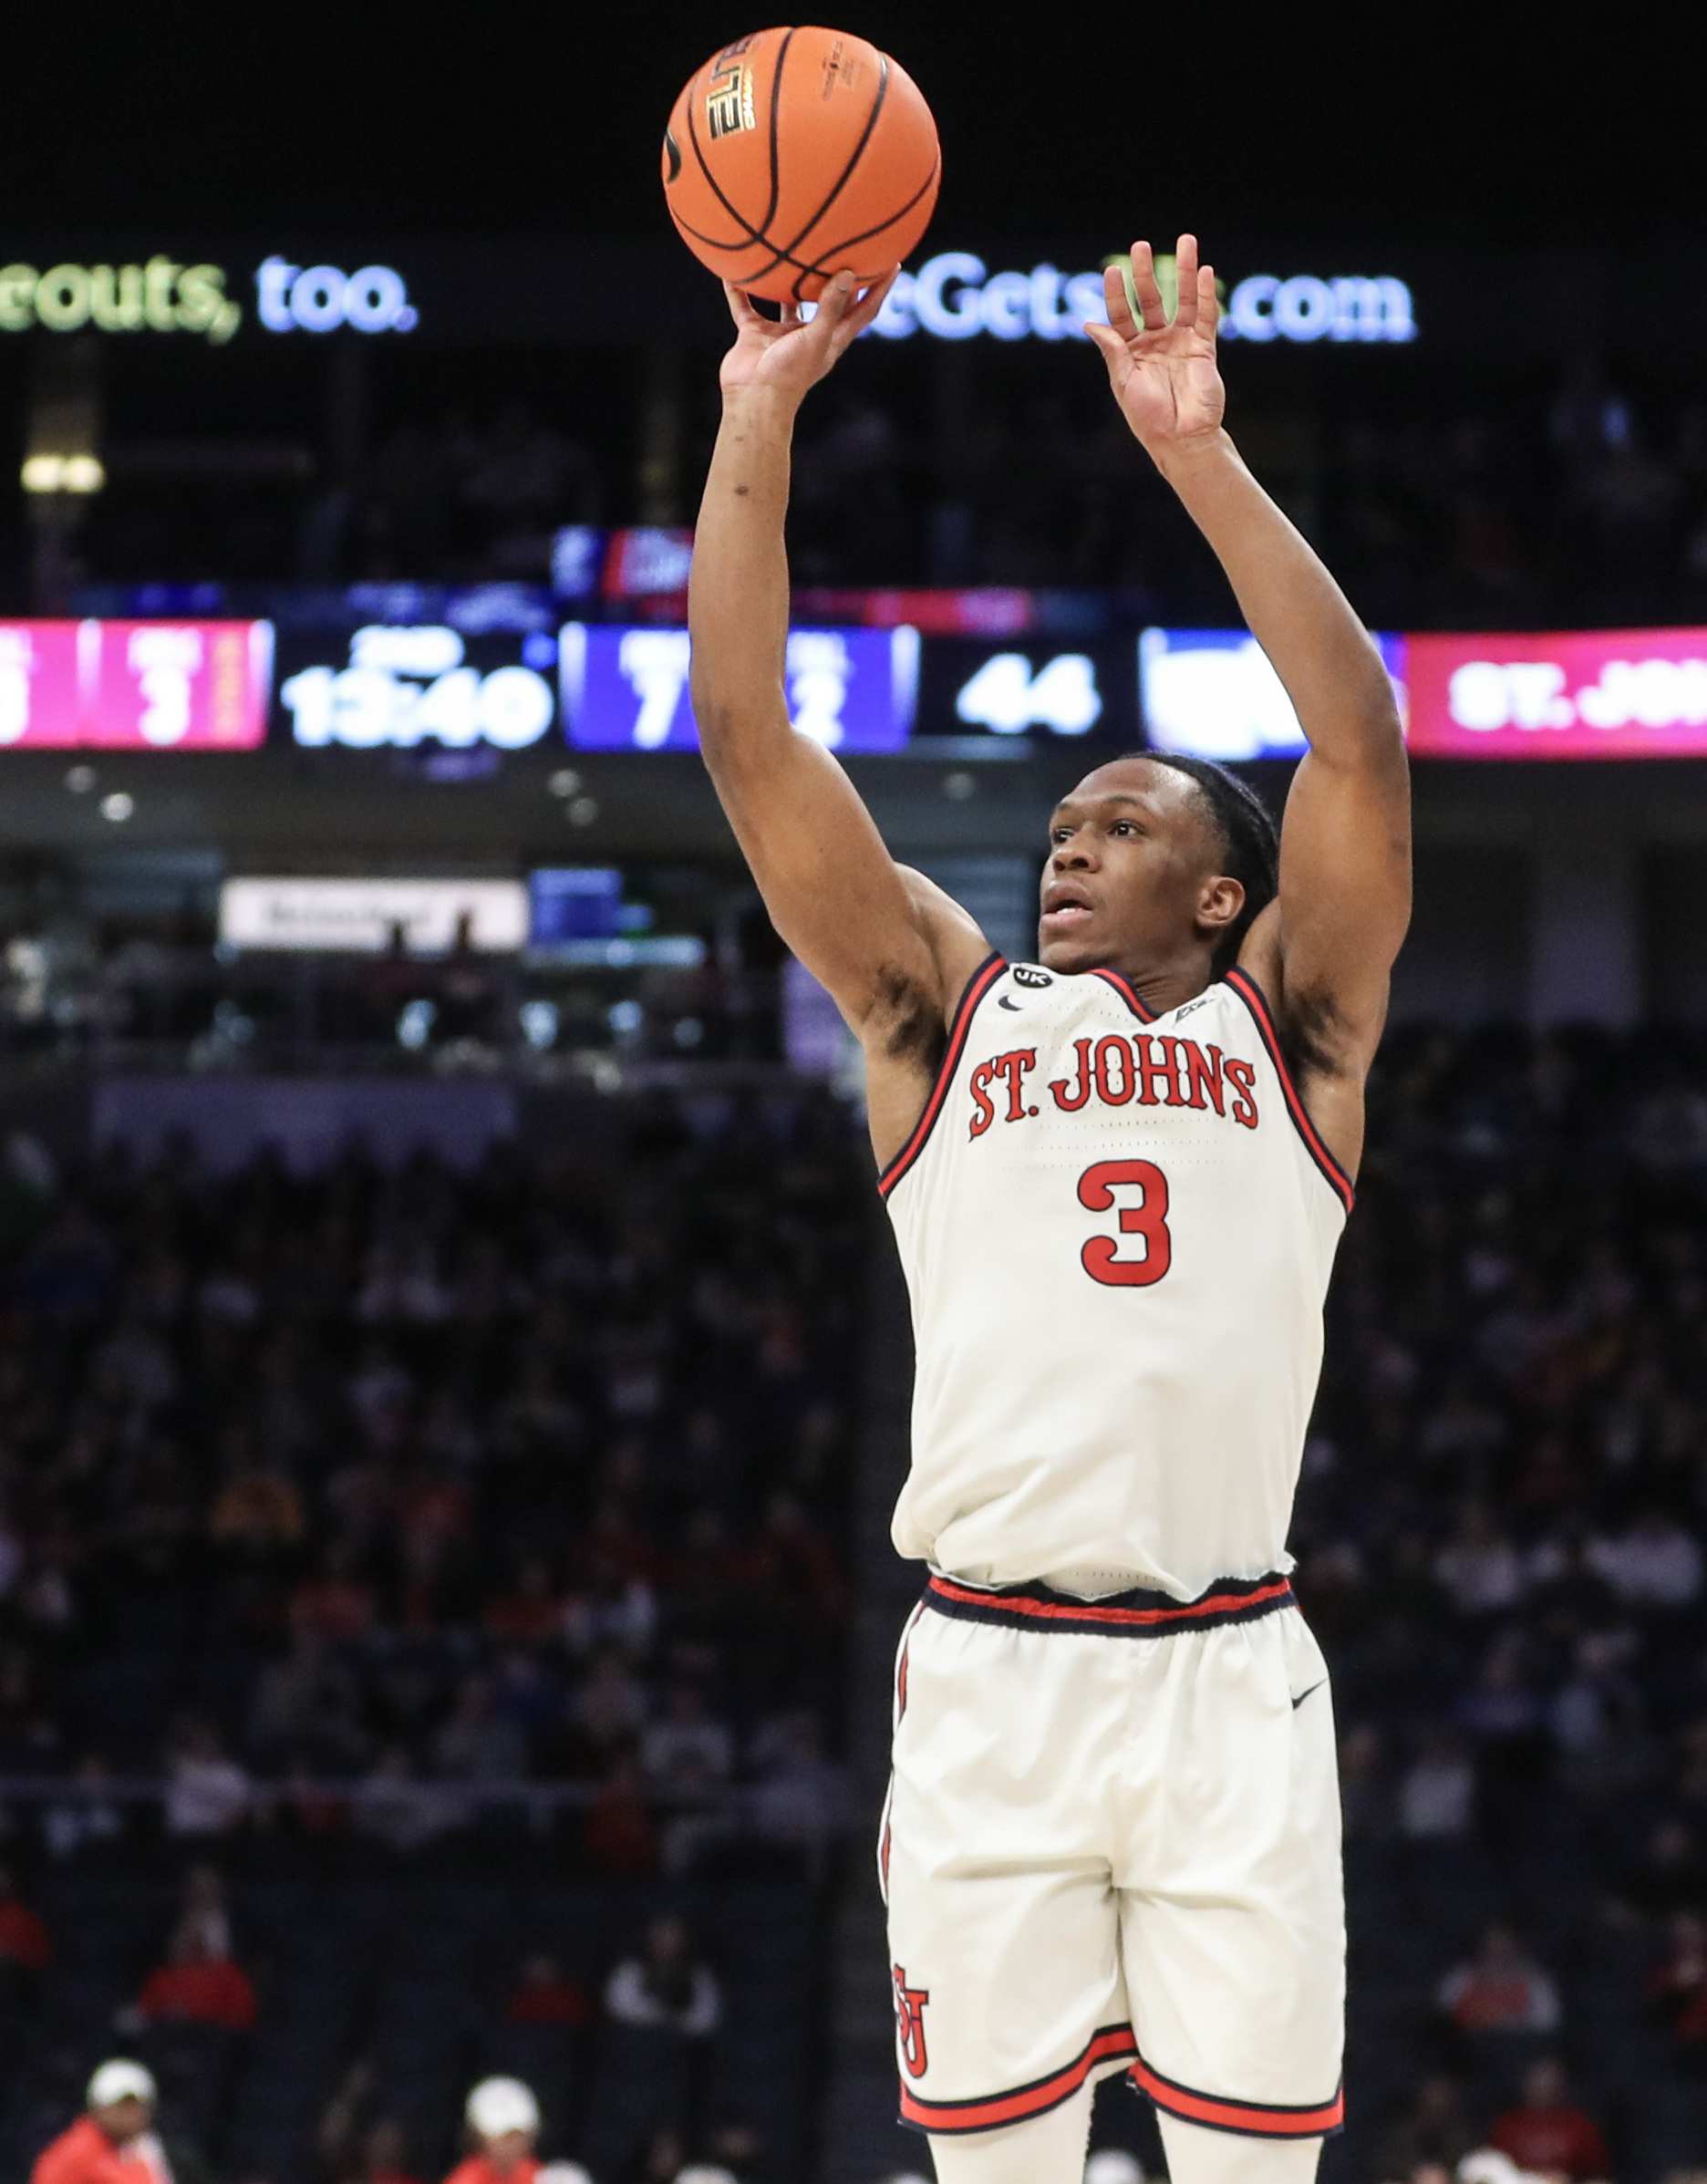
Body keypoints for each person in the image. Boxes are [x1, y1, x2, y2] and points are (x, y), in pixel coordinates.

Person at [692, 233, 1408, 2182]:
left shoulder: (1299, 1030)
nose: (1062, 848)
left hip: (1224, 1674)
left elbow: (1359, 742)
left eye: (1119, 823)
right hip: (992, 1672)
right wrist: (756, 414)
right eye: (1055, 826)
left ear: (1219, 896)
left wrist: (1194, 455)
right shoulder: (942, 1010)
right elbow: (746, 739)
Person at [30, 2061, 171, 2184]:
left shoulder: (142, 2149)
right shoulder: (75, 2153)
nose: (129, 2114)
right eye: (120, 2105)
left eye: (136, 2106)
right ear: (97, 2107)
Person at [1483, 2060, 1607, 2183]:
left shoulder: (1578, 2124)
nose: (1543, 2086)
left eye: (1549, 2081)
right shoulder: (1507, 2125)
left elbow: (1597, 2172)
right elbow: (1493, 2165)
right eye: (1538, 2081)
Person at [603, 1919, 720, 2038]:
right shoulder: (631, 1970)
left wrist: (675, 2020)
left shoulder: (698, 1976)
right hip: (637, 2039)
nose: (666, 1947)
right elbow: (620, 2008)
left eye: (673, 1941)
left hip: (684, 2044)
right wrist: (663, 2015)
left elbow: (706, 2019)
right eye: (661, 1941)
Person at [439, 2078, 542, 2184]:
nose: (511, 2145)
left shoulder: (539, 2176)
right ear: (479, 2138)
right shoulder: (465, 2180)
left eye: (517, 2136)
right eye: (503, 2137)